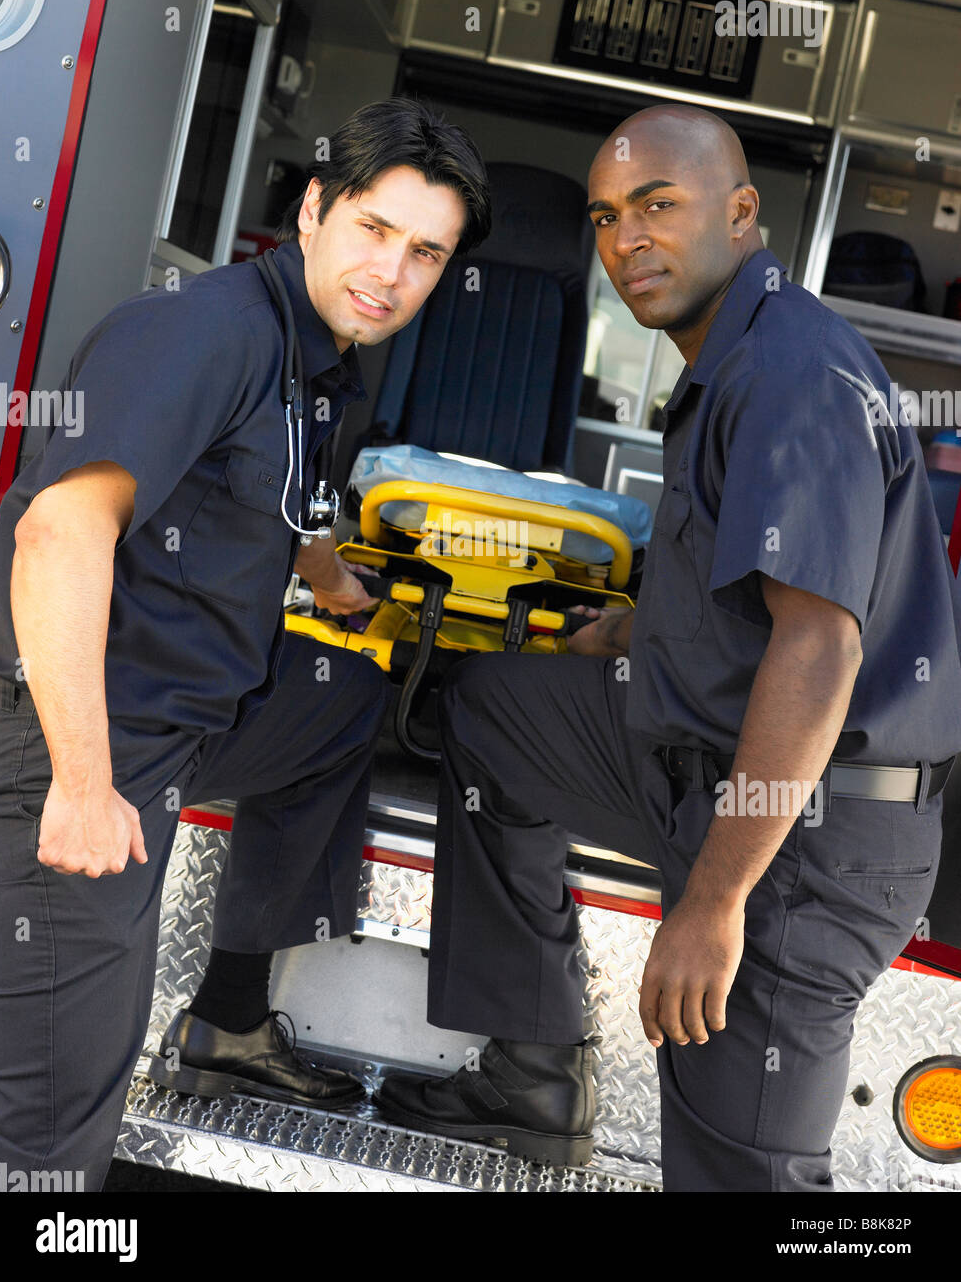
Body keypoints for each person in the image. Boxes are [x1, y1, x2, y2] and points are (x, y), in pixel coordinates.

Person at [373, 103, 961, 1190]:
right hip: (694, 755)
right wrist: (634, 628)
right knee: (494, 706)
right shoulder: (737, 356)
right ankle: (534, 1064)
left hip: (808, 834)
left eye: (657, 205)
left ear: (742, 214)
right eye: (604, 216)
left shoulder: (794, 377)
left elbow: (819, 648)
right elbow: (746, 589)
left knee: (743, 1175)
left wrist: (711, 905)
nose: (624, 238)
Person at [0, 97, 491, 1191]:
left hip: (193, 724)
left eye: (424, 253)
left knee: (344, 698)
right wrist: (80, 779)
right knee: (53, 1122)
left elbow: (281, 494)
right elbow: (59, 530)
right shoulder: (204, 334)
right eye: (372, 228)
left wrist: (327, 578)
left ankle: (227, 1005)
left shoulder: (318, 364)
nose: (390, 272)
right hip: (74, 737)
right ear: (314, 208)